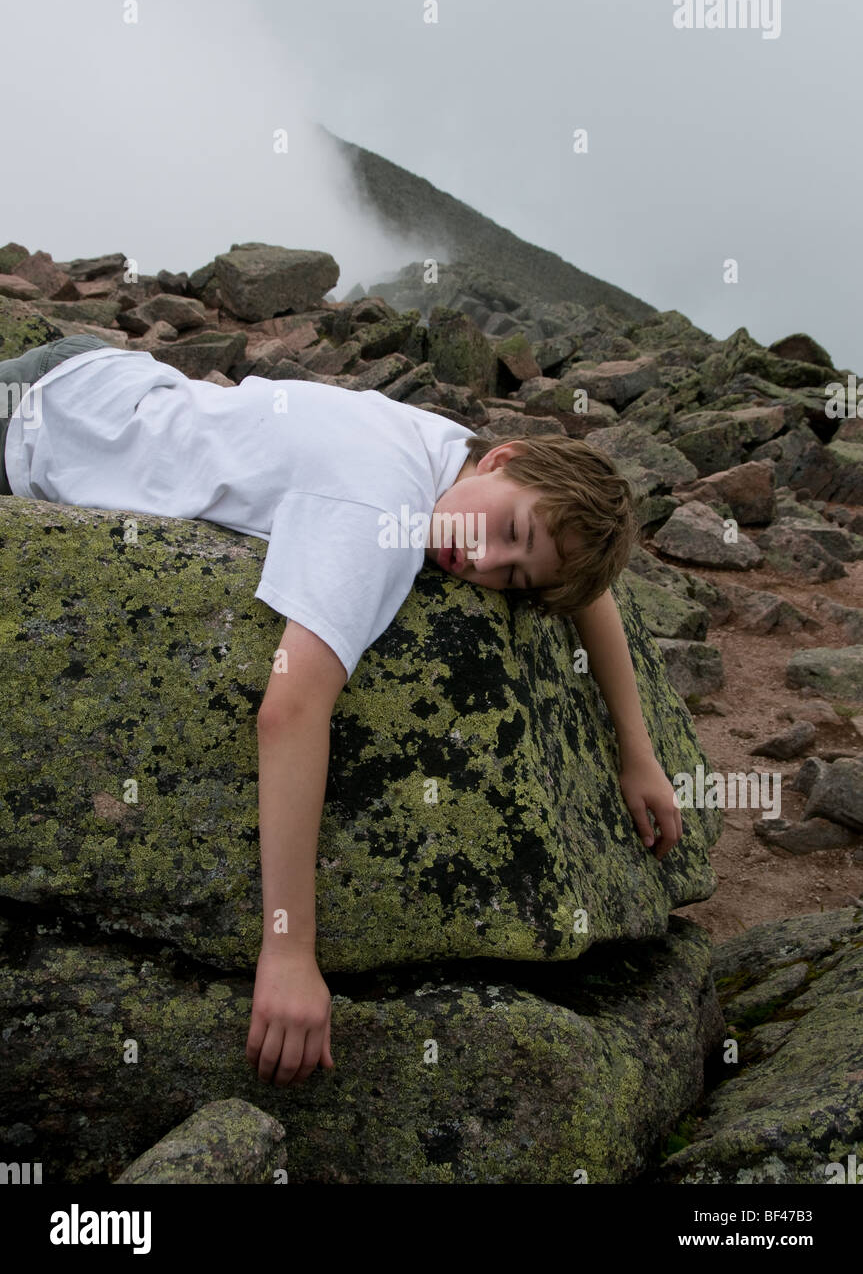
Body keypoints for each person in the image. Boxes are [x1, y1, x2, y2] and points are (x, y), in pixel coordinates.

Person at [1, 333, 683, 1089]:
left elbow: (583, 572)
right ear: (503, 456)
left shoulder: (446, 453)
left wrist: (636, 749)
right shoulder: (376, 509)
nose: (485, 560)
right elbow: (290, 710)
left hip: (110, 381)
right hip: (39, 426)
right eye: (509, 532)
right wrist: (289, 953)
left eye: (514, 578)